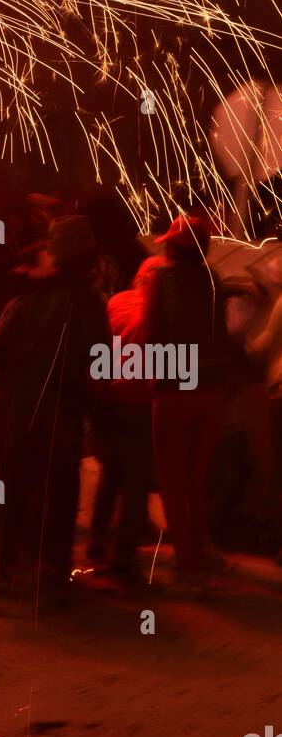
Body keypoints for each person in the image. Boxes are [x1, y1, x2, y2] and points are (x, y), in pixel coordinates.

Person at [0, 215, 110, 599]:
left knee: (17, 487)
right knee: (59, 491)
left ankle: (8, 567)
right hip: (62, 413)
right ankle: (51, 572)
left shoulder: (25, 295)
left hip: (20, 410)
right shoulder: (88, 301)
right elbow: (97, 361)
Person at [143, 214, 232, 587]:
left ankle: (187, 559)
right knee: (198, 475)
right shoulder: (215, 280)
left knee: (172, 478)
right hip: (213, 389)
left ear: (172, 249)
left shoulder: (159, 279)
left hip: (176, 386)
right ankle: (203, 547)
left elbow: (151, 332)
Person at [88, 254, 164, 579]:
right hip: (137, 398)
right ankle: (124, 552)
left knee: (111, 472)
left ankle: (96, 539)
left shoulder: (117, 300)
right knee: (135, 477)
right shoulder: (161, 310)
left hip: (106, 397)